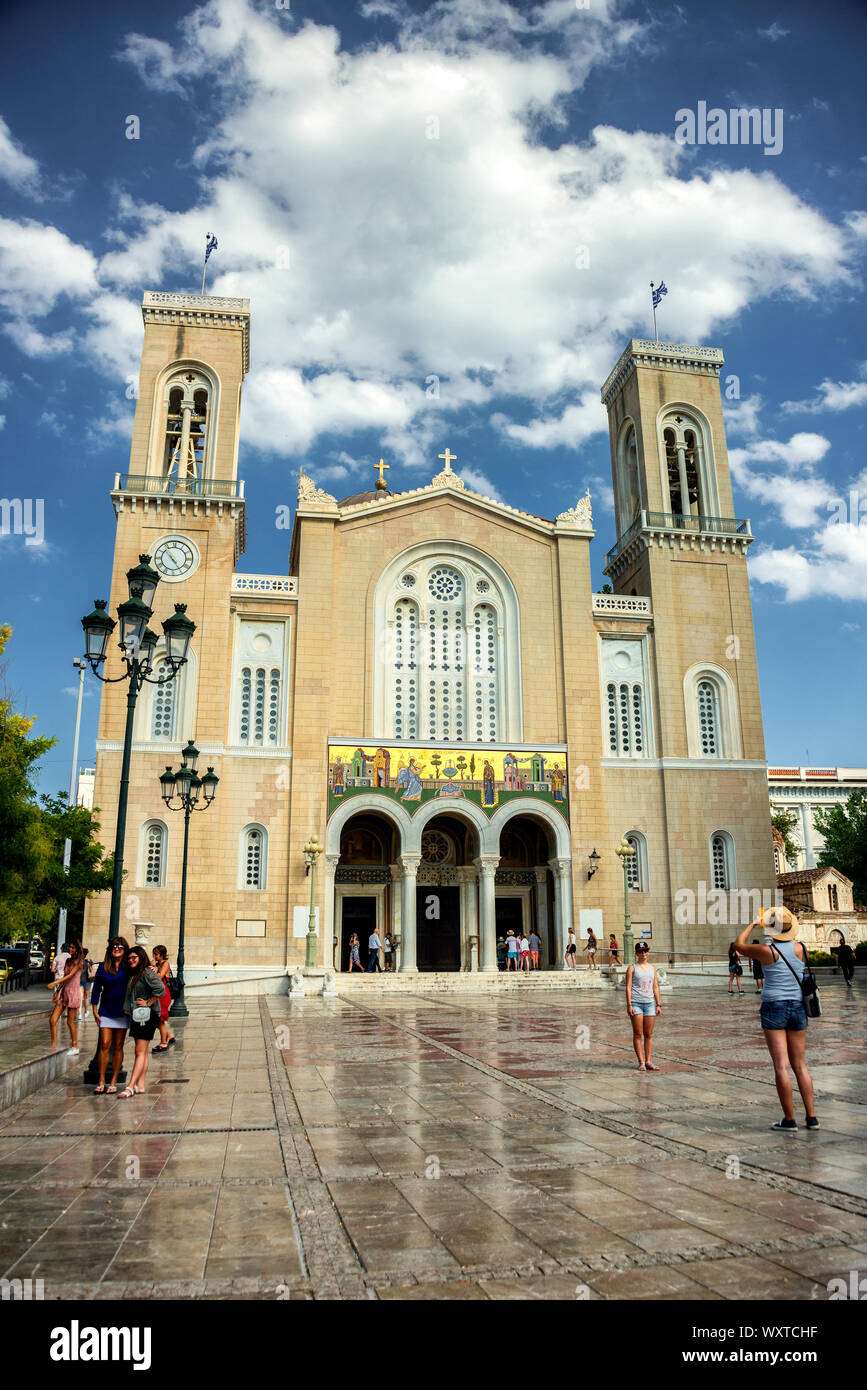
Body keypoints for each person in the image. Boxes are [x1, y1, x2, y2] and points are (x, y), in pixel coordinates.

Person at [735, 912, 818, 1132]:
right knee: (800, 1065)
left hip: (774, 1006)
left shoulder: (766, 951)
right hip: (799, 1005)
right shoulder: (801, 948)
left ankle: (789, 1120)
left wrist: (753, 923)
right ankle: (812, 1117)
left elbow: (738, 945)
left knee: (781, 1065)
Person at [119, 946, 165, 1099]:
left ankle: (130, 1086)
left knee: (139, 1052)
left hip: (146, 1017)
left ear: (141, 958)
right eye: (129, 958)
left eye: (134, 958)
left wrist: (148, 1002)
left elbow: (160, 989)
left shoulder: (145, 972)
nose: (131, 960)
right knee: (143, 1052)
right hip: (141, 1016)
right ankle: (141, 1085)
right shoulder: (137, 973)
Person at [91, 938, 131, 1093]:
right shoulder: (103, 967)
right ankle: (101, 1080)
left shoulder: (128, 967)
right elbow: (96, 989)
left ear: (125, 949)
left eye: (120, 946)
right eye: (114, 946)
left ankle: (113, 1080)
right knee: (105, 1044)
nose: (117, 948)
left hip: (122, 1010)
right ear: (110, 949)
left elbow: (141, 971)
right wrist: (94, 1008)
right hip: (106, 1010)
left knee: (118, 1045)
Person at [625, 941, 662, 1071]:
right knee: (637, 1033)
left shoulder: (653, 969)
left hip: (650, 1004)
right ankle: (641, 1061)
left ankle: (649, 1061)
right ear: (636, 953)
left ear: (648, 952)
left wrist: (658, 1004)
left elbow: (655, 987)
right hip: (636, 1003)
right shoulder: (632, 968)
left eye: (645, 951)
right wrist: (629, 1004)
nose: (643, 954)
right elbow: (628, 987)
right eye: (641, 952)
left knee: (649, 1034)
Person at [47, 941, 84, 1055]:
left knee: (70, 1022)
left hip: (73, 993)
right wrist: (57, 991)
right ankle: (53, 1045)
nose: (70, 949)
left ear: (77, 949)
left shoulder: (79, 962)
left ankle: (75, 1046)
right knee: (52, 1020)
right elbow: (65, 977)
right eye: (70, 947)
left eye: (73, 947)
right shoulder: (68, 960)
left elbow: (71, 975)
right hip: (64, 993)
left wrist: (55, 982)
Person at [150, 944, 176, 1052]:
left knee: (160, 1019)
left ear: (162, 955)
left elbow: (160, 976)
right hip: (156, 994)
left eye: (156, 954)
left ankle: (164, 1042)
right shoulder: (155, 964)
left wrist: (155, 969)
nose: (154, 956)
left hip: (163, 994)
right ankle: (168, 1035)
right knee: (155, 1019)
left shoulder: (165, 964)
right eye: (154, 954)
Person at [79, 949, 94, 1021]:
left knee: (80, 997)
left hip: (79, 980)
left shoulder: (78, 961)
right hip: (88, 981)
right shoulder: (89, 961)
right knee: (86, 997)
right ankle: (85, 1012)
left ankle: (79, 1014)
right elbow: (93, 971)